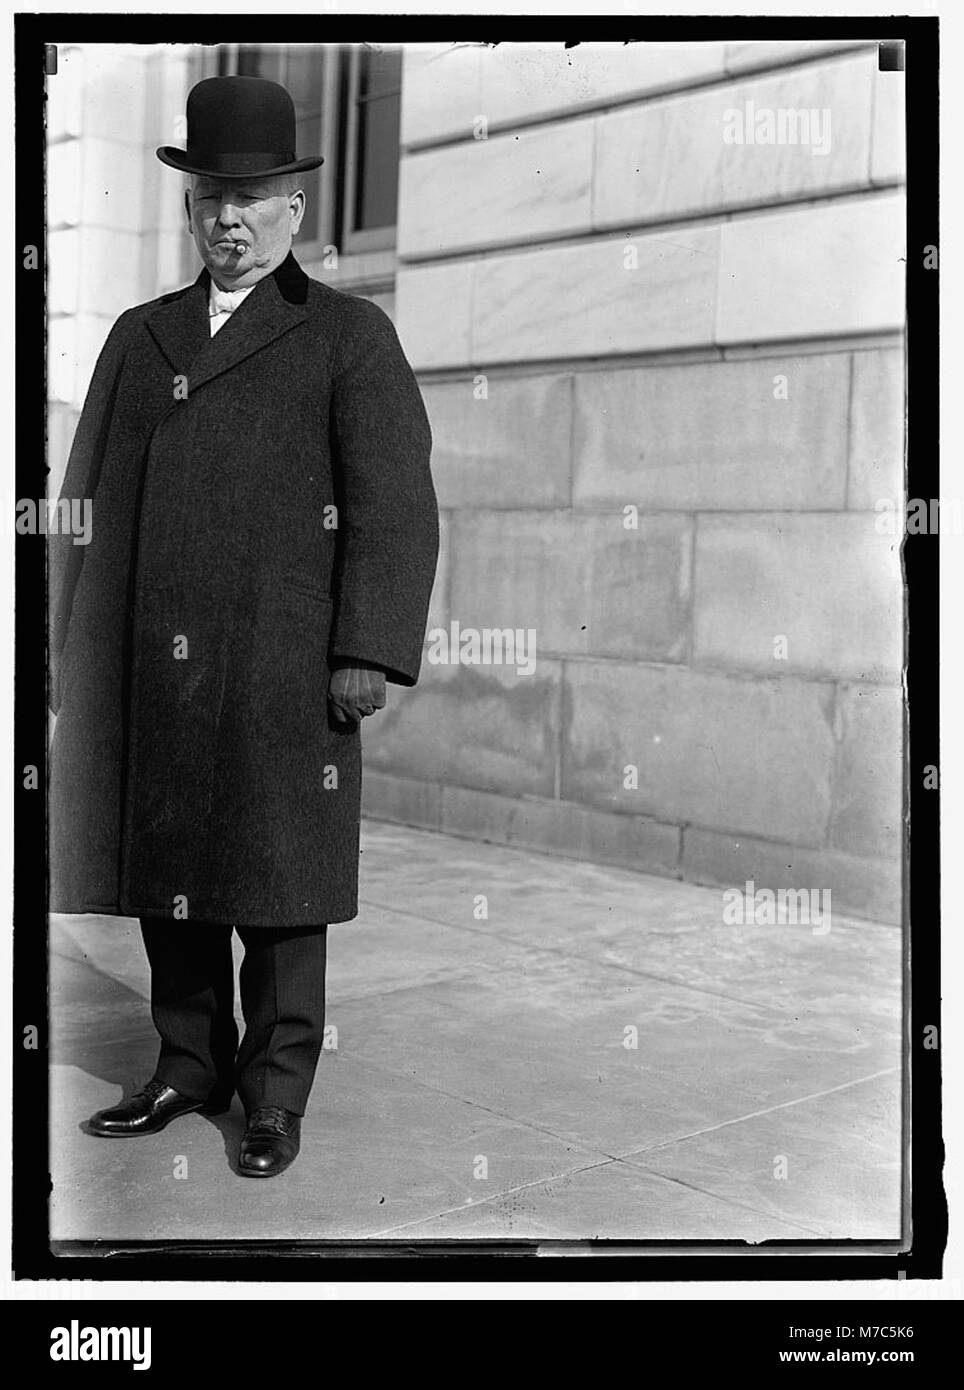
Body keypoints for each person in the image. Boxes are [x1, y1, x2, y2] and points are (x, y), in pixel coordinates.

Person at [48, 75, 439, 1178]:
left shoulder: (348, 338)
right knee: (168, 872)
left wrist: (365, 648)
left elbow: (395, 508)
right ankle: (184, 1062)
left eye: (254, 195)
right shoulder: (141, 337)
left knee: (275, 889)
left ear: (295, 208)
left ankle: (272, 1094)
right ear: (189, 206)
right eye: (212, 195)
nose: (230, 217)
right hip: (150, 661)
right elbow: (79, 503)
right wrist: (56, 648)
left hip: (278, 668)